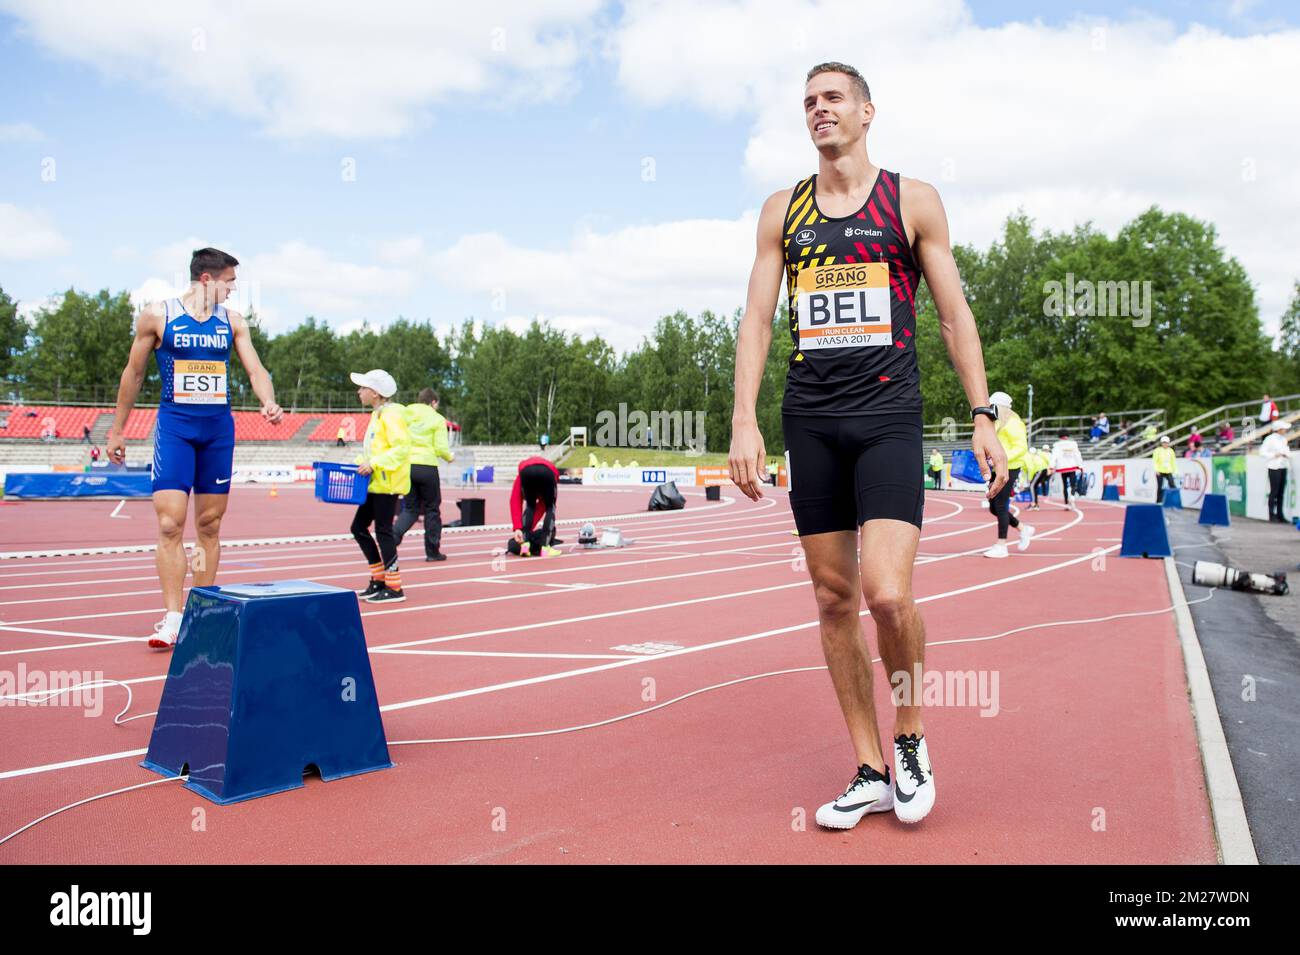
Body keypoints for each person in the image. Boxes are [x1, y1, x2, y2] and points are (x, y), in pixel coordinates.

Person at [727, 62, 1008, 831]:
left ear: (867, 111)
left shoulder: (911, 201)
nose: (818, 110)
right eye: (808, 101)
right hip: (810, 416)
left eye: (832, 99)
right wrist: (742, 418)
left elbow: (954, 317)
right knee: (831, 596)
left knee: (886, 591)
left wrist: (982, 412)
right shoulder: (781, 210)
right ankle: (868, 766)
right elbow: (755, 319)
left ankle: (910, 736)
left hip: (887, 414)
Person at [106, 247, 281, 649]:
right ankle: (172, 617)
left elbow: (256, 369)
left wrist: (267, 400)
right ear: (207, 279)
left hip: (217, 431)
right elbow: (132, 374)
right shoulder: (158, 315)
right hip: (176, 428)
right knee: (170, 523)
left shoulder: (233, 323)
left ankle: (202, 613)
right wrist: (118, 429)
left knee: (209, 525)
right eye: (230, 281)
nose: (234, 289)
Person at [349, 369, 410, 603]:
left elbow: (400, 449)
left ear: (374, 393)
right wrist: (360, 463)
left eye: (362, 388)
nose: (359, 392)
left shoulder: (391, 416)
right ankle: (378, 579)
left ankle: (394, 587)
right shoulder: (378, 415)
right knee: (358, 528)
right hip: (376, 483)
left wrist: (374, 464)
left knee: (383, 531)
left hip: (387, 483)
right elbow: (375, 450)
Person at [394, 388, 454, 562]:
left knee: (410, 508)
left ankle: (393, 537)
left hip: (407, 465)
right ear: (433, 402)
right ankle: (432, 552)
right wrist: (449, 457)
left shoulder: (406, 413)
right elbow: (441, 448)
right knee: (432, 509)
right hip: (427, 466)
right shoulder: (437, 418)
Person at [984, 392, 1034, 558]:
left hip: (1009, 467)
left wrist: (1000, 457)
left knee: (1000, 505)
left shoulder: (1014, 423)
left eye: (993, 406)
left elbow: (1021, 448)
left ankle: (1001, 545)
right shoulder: (999, 422)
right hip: (998, 467)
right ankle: (1023, 528)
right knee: (993, 506)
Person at [510, 455, 562, 555]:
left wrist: (518, 528)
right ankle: (545, 548)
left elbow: (514, 500)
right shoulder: (550, 471)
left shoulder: (521, 474)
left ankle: (525, 547)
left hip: (526, 472)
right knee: (550, 507)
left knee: (530, 505)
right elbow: (545, 507)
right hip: (547, 473)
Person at [1260, 421, 1292, 523]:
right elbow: (1262, 452)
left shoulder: (1283, 439)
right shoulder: (1270, 439)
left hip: (1283, 465)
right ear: (1279, 429)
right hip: (1273, 466)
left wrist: (1285, 454)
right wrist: (1274, 455)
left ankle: (1280, 514)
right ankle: (1271, 515)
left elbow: (1286, 451)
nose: (1285, 430)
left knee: (1281, 492)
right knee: (1274, 491)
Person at [1050, 429, 1083, 510]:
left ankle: (1066, 503)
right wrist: (1081, 466)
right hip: (1072, 466)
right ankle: (1072, 497)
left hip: (1062, 467)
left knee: (1064, 485)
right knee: (1073, 484)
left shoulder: (1057, 445)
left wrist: (1051, 466)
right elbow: (1077, 455)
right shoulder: (1073, 444)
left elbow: (1054, 456)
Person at [1152, 435, 1177, 504]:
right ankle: (1159, 501)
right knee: (1160, 486)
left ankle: (1174, 500)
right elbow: (1155, 461)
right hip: (1160, 471)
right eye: (1164, 442)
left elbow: (1173, 461)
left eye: (1166, 442)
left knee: (1172, 484)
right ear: (1161, 443)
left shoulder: (1171, 451)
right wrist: (1156, 470)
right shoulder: (1157, 450)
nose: (1165, 444)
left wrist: (1174, 471)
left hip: (1168, 471)